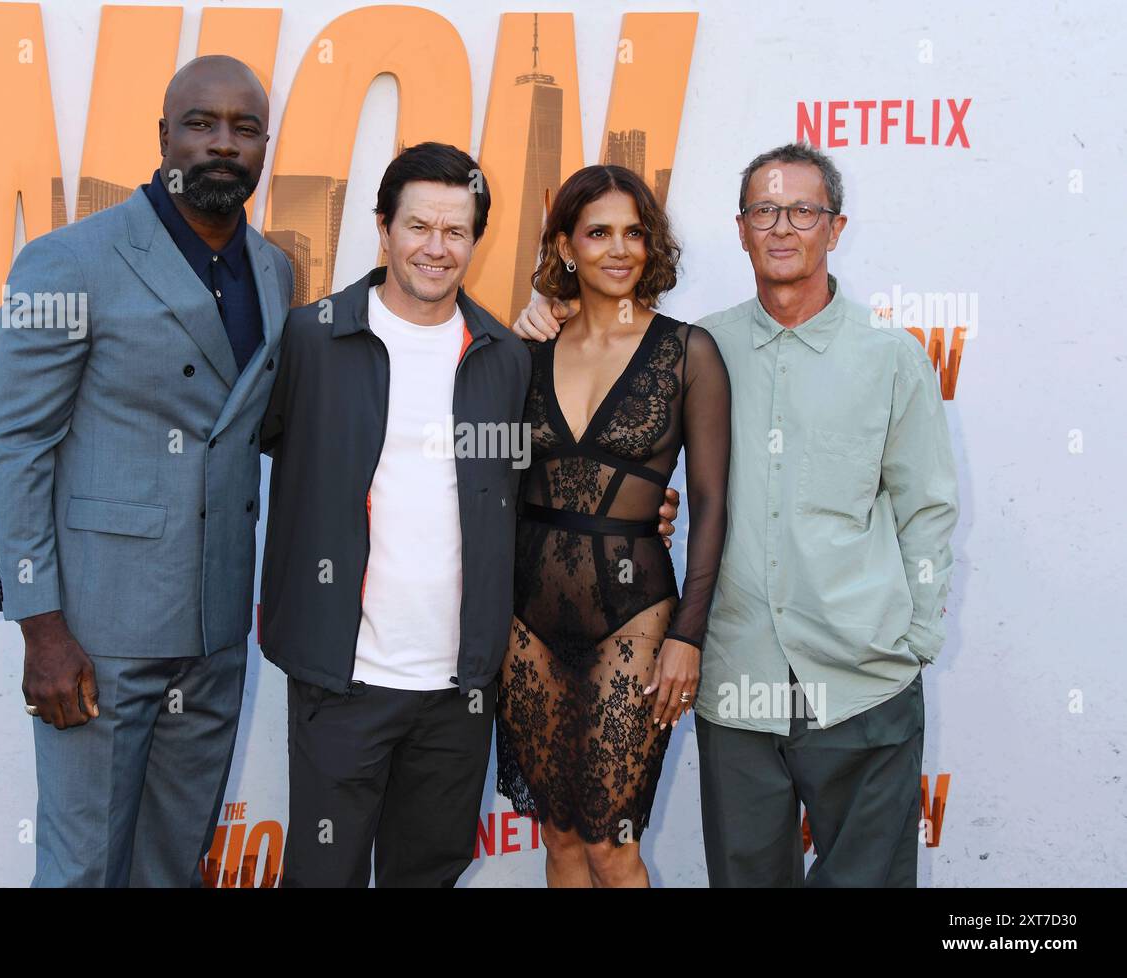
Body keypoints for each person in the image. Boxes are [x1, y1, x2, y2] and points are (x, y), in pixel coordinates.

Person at [513, 142, 959, 887]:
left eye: (803, 211)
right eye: (763, 211)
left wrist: (911, 640)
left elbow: (928, 510)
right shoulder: (700, 344)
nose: (782, 228)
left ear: (836, 227)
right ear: (742, 228)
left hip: (862, 679)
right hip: (738, 681)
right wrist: (545, 308)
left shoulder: (890, 356)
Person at [257, 144, 681, 887]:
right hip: (340, 678)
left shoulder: (506, 356)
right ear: (383, 226)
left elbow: (552, 479)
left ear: (476, 241)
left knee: (427, 874)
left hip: (462, 689)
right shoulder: (311, 338)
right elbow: (253, 454)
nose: (436, 247)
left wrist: (648, 508)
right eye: (419, 226)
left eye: (456, 232)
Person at [0, 56, 293, 887]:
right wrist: (41, 627)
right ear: (163, 138)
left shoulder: (274, 270)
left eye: (244, 127)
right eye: (201, 124)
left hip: (215, 631)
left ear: (264, 144)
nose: (222, 144)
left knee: (172, 865)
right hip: (96, 636)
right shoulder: (69, 262)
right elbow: (16, 446)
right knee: (83, 868)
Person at [495, 164, 730, 888]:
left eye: (634, 232)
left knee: (611, 847)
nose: (619, 248)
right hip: (525, 617)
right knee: (562, 840)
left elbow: (715, 504)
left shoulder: (688, 352)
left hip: (634, 614)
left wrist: (688, 637)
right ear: (566, 246)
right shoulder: (527, 352)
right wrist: (513, 334)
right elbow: (492, 478)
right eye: (598, 232)